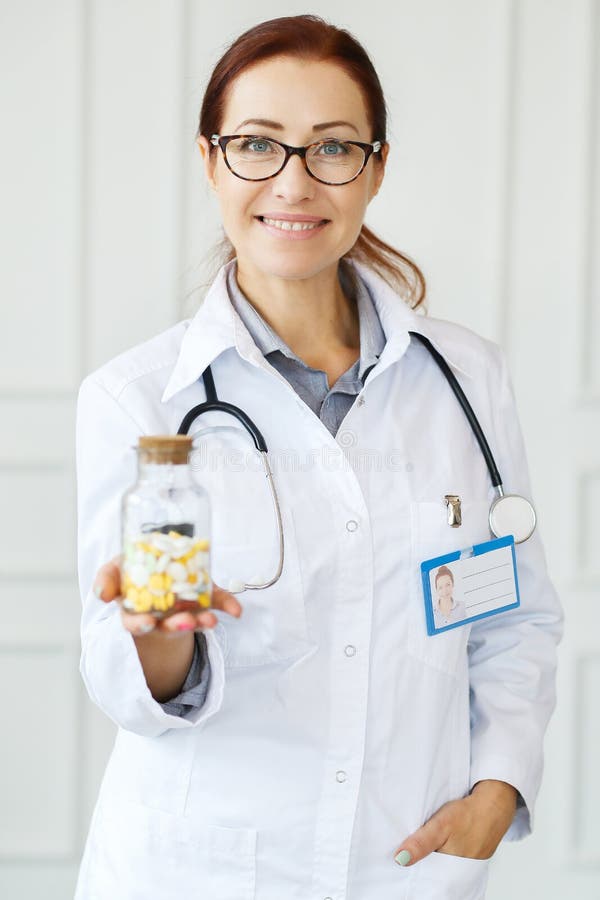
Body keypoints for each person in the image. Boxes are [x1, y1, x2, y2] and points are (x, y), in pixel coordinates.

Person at [74, 14, 563, 900]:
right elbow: (129, 688)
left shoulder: (466, 378)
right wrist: (154, 642)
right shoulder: (137, 399)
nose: (294, 183)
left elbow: (515, 620)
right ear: (211, 160)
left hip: (407, 867)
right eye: (257, 145)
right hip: (197, 872)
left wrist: (501, 784)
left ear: (375, 167)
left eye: (332, 149)